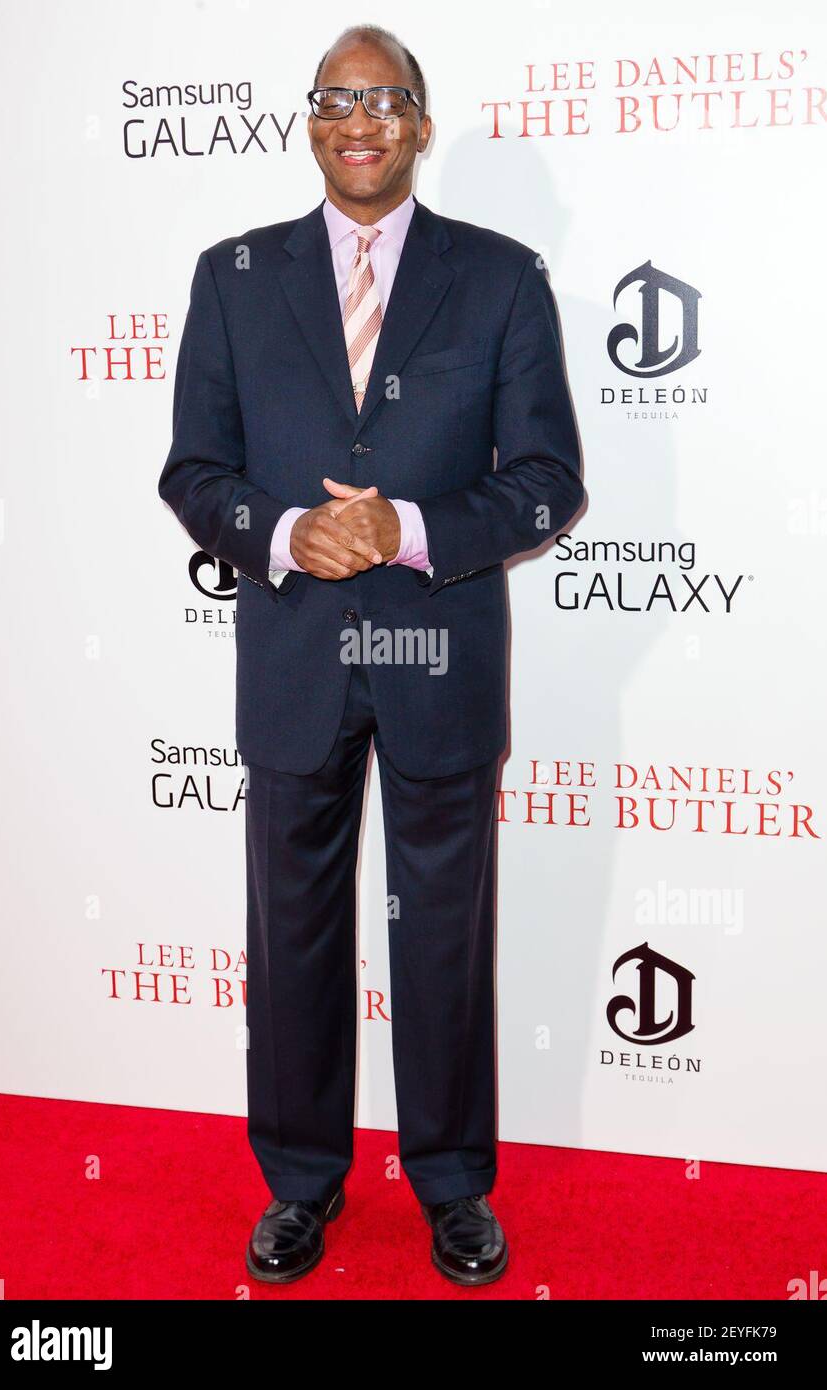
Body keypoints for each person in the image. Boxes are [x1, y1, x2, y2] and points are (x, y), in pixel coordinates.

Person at [158, 23, 584, 1287]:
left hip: (438, 661)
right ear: (307, 119)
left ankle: (452, 1184)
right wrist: (290, 531)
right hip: (291, 656)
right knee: (290, 935)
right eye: (337, 98)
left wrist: (405, 528)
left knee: (444, 935)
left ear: (420, 121)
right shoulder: (232, 278)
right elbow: (193, 470)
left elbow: (549, 483)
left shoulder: (501, 279)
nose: (360, 120)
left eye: (384, 100)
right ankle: (301, 1180)